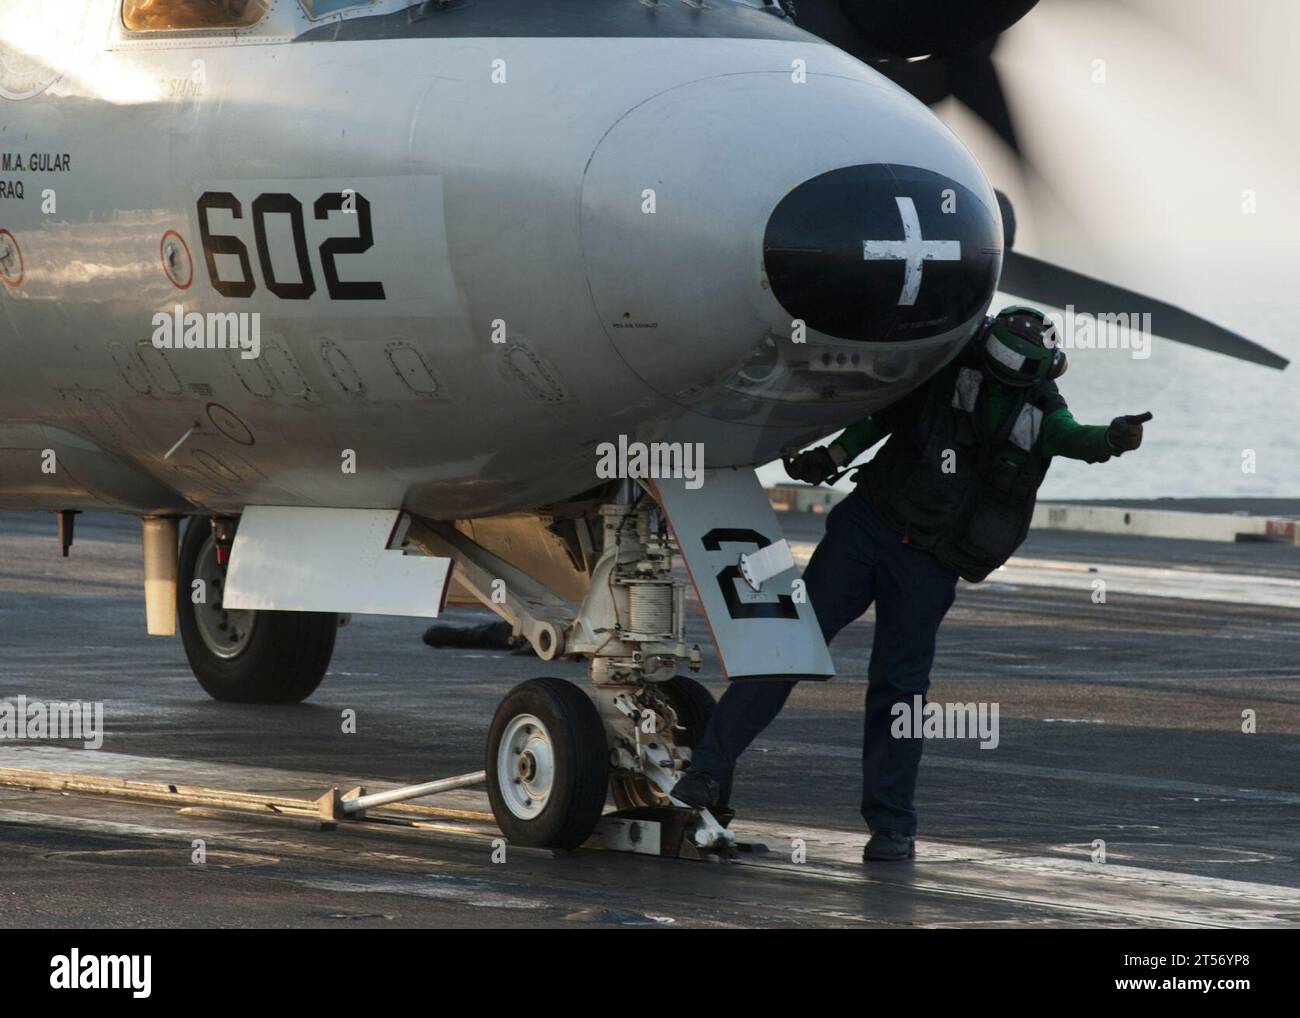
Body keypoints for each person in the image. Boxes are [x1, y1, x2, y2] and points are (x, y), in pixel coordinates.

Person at [671, 306, 1152, 861]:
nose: (998, 370)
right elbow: (882, 418)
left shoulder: (1040, 413)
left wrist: (1115, 438)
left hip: (927, 561)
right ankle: (706, 774)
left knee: (898, 690)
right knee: (792, 650)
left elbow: (1076, 438)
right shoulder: (945, 374)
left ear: (1039, 372)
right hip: (867, 531)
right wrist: (832, 455)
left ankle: (892, 827)